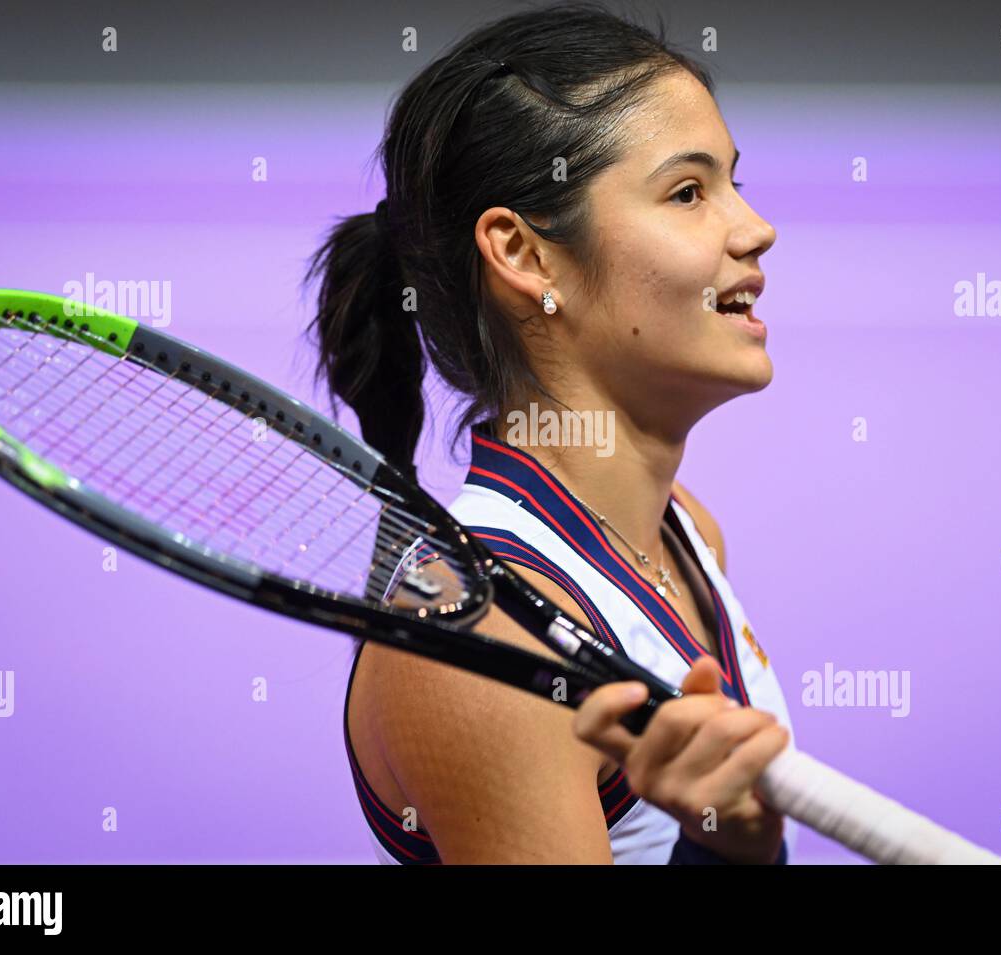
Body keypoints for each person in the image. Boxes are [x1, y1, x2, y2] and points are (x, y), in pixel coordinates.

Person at [307, 2, 793, 864]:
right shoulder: (473, 638)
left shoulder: (687, 532)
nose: (755, 229)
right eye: (688, 191)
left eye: (734, 182)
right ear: (526, 256)